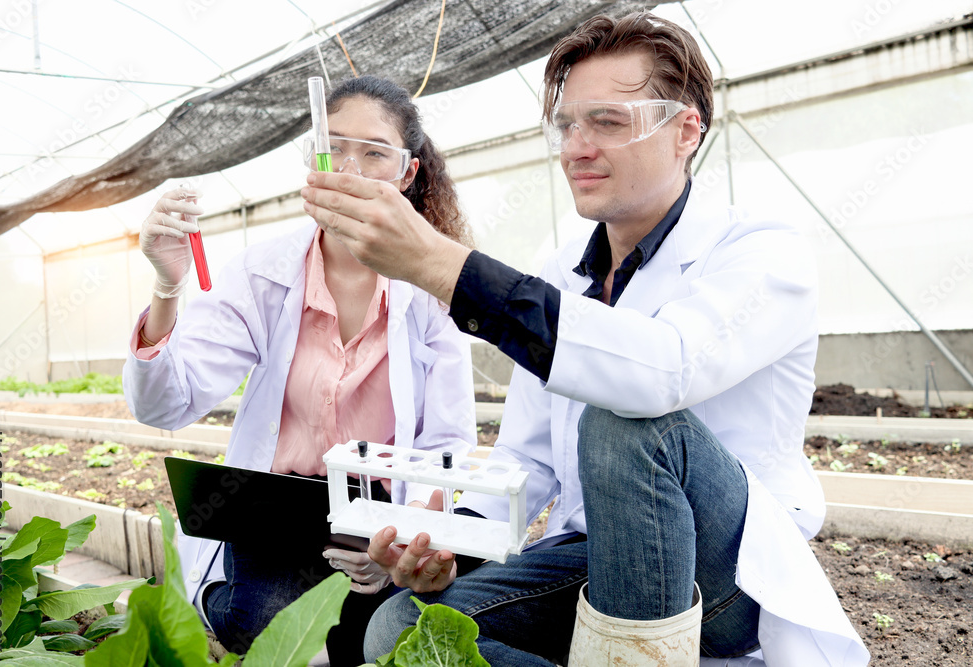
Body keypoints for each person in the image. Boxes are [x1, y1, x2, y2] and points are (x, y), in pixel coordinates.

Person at [301, 12, 870, 667]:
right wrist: (453, 537)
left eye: (607, 121)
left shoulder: (763, 252)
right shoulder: (561, 266)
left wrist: (440, 264)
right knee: (403, 630)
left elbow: (661, 371)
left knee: (628, 424)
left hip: (726, 577)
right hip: (594, 558)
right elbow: (527, 457)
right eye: (567, 124)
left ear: (687, 130)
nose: (576, 146)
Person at [122, 75, 477, 665]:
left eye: (374, 153)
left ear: (406, 175)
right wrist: (167, 286)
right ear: (310, 161)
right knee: (271, 628)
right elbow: (165, 404)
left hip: (380, 511)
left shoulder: (433, 290)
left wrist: (403, 536)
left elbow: (448, 441)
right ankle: (224, 601)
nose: (351, 170)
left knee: (379, 635)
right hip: (278, 506)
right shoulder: (263, 275)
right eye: (333, 147)